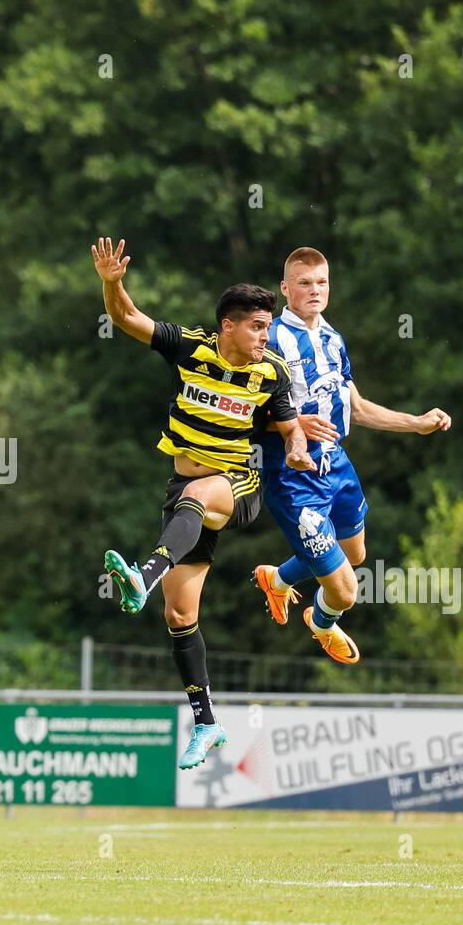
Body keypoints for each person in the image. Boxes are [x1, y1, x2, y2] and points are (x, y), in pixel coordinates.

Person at [91, 236, 313, 768]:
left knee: (195, 497)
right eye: (257, 326)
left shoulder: (273, 372)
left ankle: (141, 577)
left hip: (237, 483)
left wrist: (299, 449)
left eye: (269, 325)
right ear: (228, 326)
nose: (266, 335)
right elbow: (128, 319)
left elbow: (290, 429)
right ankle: (208, 724)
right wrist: (111, 282)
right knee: (180, 613)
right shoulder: (191, 347)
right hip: (185, 493)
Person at [252, 246, 451, 662]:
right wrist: (291, 425)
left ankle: (279, 579)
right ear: (285, 288)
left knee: (356, 553)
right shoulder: (268, 340)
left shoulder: (333, 339)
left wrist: (415, 422)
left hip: (336, 465)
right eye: (304, 283)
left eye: (321, 282)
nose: (314, 290)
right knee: (344, 590)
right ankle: (321, 623)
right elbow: (242, 413)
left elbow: (355, 408)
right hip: (292, 475)